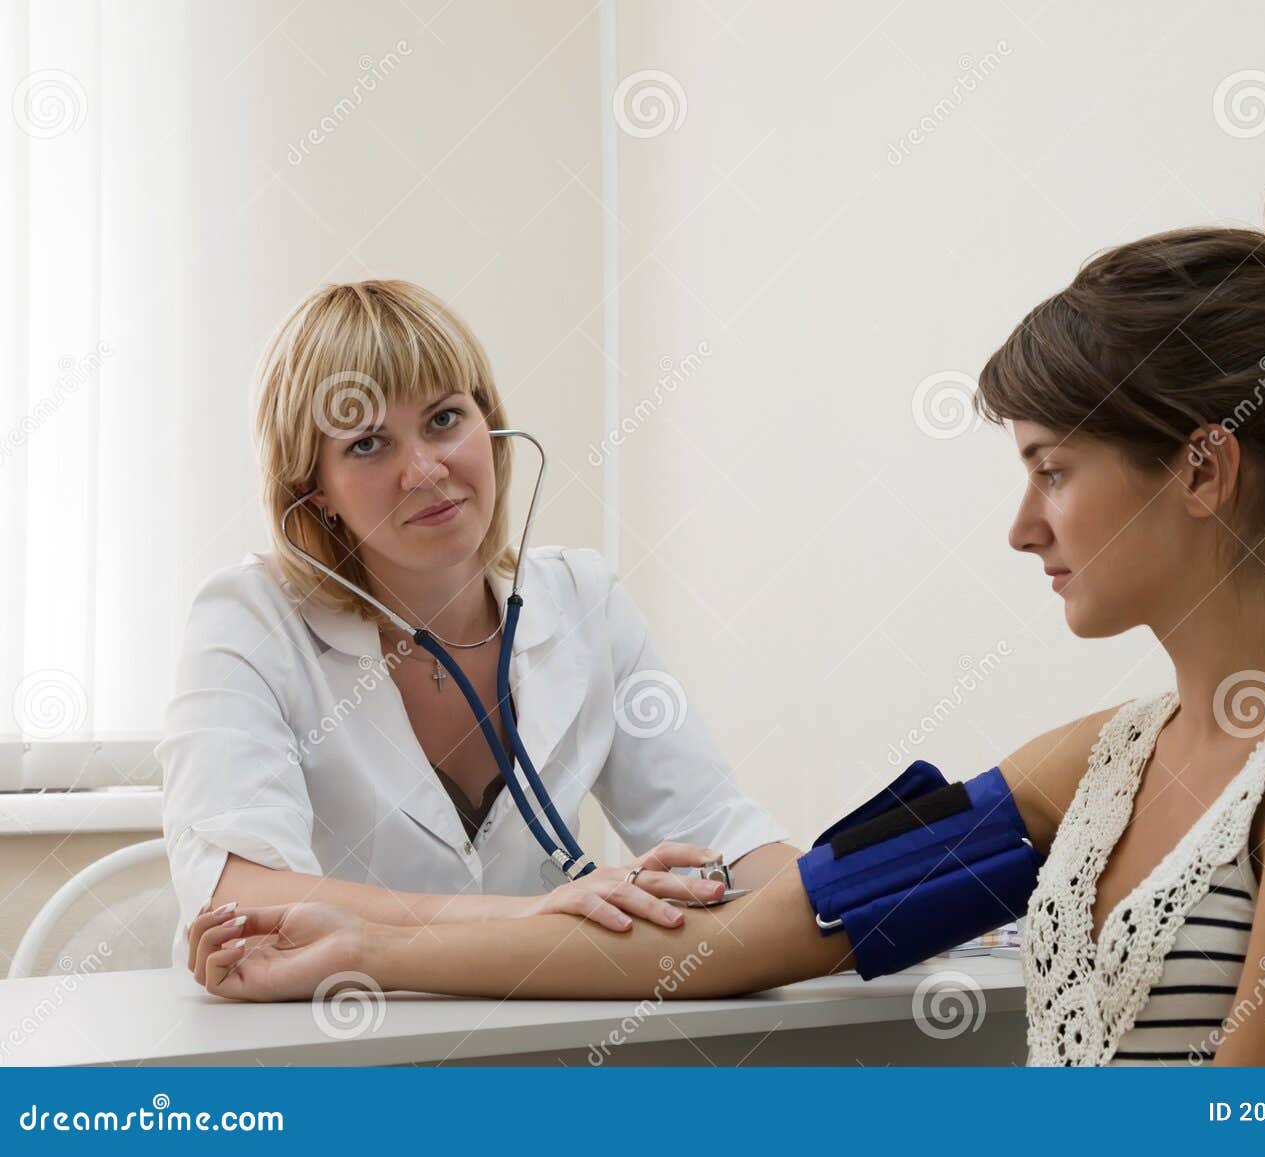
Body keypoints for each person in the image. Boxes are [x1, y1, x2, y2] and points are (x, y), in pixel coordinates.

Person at [188, 216, 1265, 1067]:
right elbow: (751, 932)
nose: (1020, 525)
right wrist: (360, 948)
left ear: (1203, 471)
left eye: (1051, 469)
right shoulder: (1096, 765)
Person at [159, 280, 797, 968]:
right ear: (316, 492)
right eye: (370, 443)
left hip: (532, 1043)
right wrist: (535, 915)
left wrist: (869, 889)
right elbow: (242, 900)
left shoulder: (584, 599)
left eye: (442, 419)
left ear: (489, 426)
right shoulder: (249, 621)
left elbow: (721, 837)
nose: (426, 471)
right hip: (321, 1047)